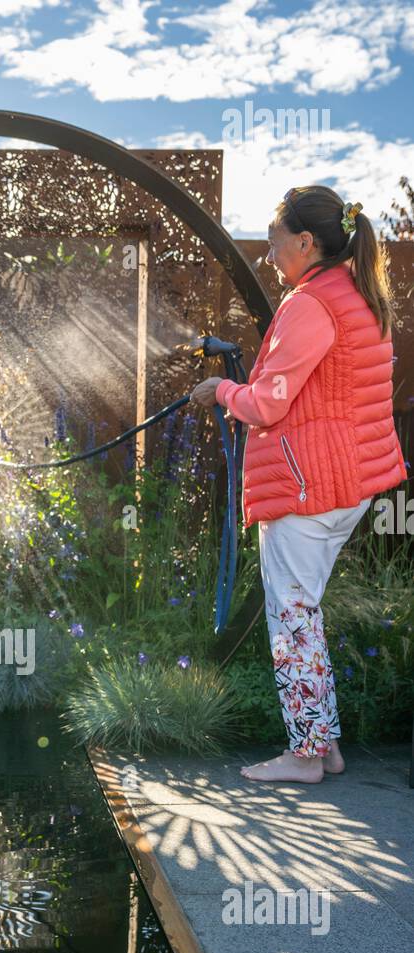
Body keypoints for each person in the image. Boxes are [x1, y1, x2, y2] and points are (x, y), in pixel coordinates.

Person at [190, 186, 407, 783]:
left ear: (306, 242)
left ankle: (306, 755)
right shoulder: (359, 294)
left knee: (291, 616)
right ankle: (325, 746)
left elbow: (268, 403)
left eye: (275, 239)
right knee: (302, 612)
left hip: (308, 486)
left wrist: (221, 393)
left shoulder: (311, 304)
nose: (268, 254)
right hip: (350, 484)